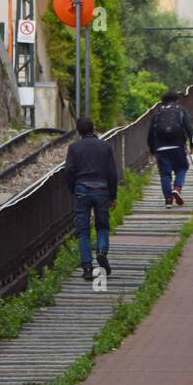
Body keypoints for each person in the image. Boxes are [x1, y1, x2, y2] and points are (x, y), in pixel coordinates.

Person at [63, 116, 118, 281]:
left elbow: (69, 171)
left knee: (83, 231)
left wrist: (74, 189)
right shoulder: (105, 146)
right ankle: (101, 251)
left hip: (82, 189)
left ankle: (87, 267)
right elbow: (112, 173)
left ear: (78, 131)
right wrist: (113, 195)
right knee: (102, 226)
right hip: (101, 189)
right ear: (93, 128)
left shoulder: (74, 147)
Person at [147, 91, 193, 208]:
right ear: (177, 100)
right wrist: (192, 144)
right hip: (177, 146)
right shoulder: (180, 110)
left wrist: (153, 150)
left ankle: (168, 200)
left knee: (165, 174)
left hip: (161, 148)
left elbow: (150, 133)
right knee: (182, 168)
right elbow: (189, 128)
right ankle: (177, 188)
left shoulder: (157, 112)